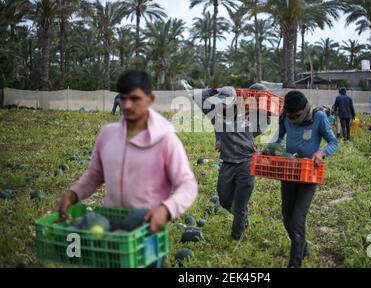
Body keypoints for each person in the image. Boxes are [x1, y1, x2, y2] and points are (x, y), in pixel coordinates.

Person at [57, 70, 198, 263]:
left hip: (146, 230)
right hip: (111, 227)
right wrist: (73, 194)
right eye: (123, 98)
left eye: (135, 98)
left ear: (150, 99)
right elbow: (94, 176)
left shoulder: (166, 140)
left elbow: (188, 185)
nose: (127, 105)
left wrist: (166, 208)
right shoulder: (107, 135)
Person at [193, 86, 270, 241]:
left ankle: (236, 238)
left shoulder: (247, 115)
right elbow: (197, 97)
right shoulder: (216, 115)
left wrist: (265, 111)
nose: (223, 105)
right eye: (221, 102)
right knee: (224, 200)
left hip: (247, 163)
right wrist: (215, 90)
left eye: (227, 102)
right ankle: (241, 216)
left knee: (241, 205)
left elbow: (265, 122)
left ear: (235, 100)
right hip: (227, 163)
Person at [275, 91, 339, 268]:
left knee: (297, 219)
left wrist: (321, 152)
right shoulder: (286, 117)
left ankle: (295, 263)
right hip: (288, 173)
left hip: (309, 175)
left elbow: (334, 142)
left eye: (295, 116)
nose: (292, 119)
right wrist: (272, 149)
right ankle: (302, 246)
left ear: (304, 110)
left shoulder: (318, 117)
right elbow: (278, 138)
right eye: (289, 116)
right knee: (287, 218)